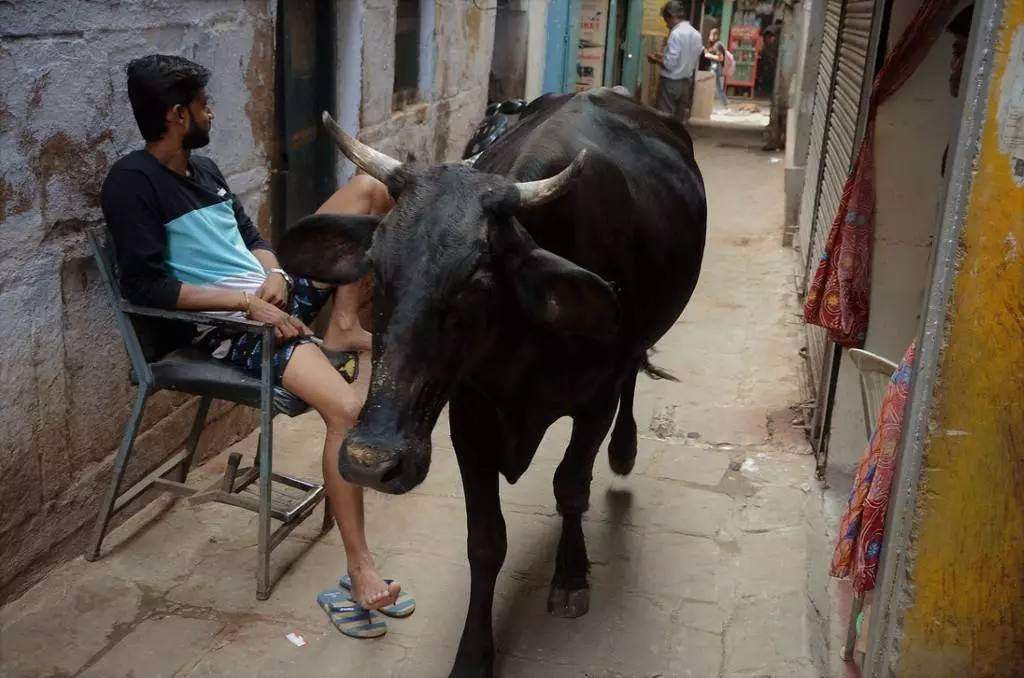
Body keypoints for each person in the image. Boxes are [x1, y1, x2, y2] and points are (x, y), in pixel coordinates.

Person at [100, 54, 405, 634]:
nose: (211, 111)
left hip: (270, 296)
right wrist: (247, 305)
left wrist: (274, 273)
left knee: (371, 190)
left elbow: (253, 238)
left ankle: (342, 322)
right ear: (176, 114)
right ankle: (362, 570)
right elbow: (144, 285)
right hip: (229, 328)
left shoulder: (206, 169)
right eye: (202, 104)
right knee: (346, 409)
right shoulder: (132, 183)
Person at [648, 1, 703, 122]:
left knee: (664, 119)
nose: (666, 24)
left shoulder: (676, 34)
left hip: (670, 83)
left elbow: (670, 64)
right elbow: (690, 56)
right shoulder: (696, 34)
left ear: (672, 17)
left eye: (666, 20)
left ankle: (664, 141)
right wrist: (664, 56)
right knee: (679, 121)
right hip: (686, 83)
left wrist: (655, 59)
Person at [704, 26, 729, 109]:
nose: (710, 37)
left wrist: (708, 55)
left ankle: (724, 104)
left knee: (713, 86)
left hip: (715, 67)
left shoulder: (717, 45)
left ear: (716, 36)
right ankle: (725, 104)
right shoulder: (715, 44)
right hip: (715, 66)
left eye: (711, 35)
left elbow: (720, 58)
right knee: (716, 87)